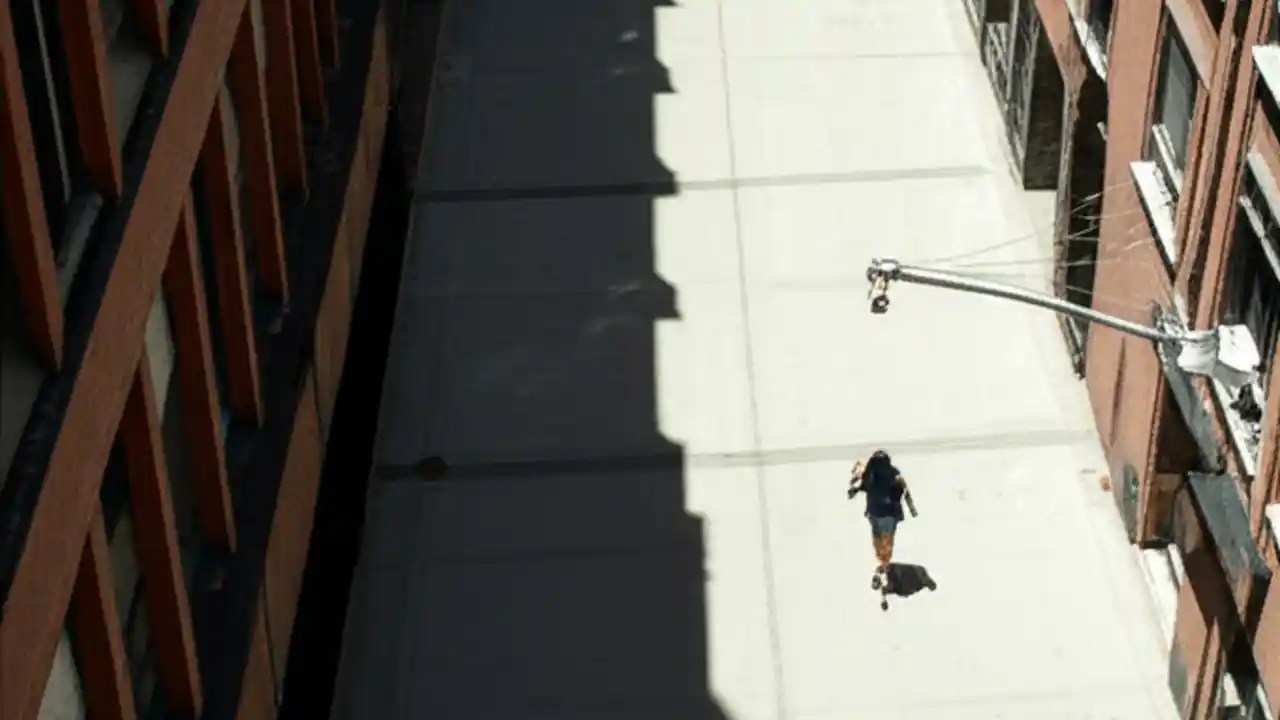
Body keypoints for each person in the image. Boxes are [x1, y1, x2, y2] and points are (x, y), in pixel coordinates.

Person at [847, 450, 916, 590]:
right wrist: (911, 508)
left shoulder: (869, 471)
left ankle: (882, 565)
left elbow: (859, 485)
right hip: (889, 513)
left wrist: (853, 491)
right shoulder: (893, 471)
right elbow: (903, 489)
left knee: (877, 540)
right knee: (887, 540)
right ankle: (884, 568)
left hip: (874, 512)